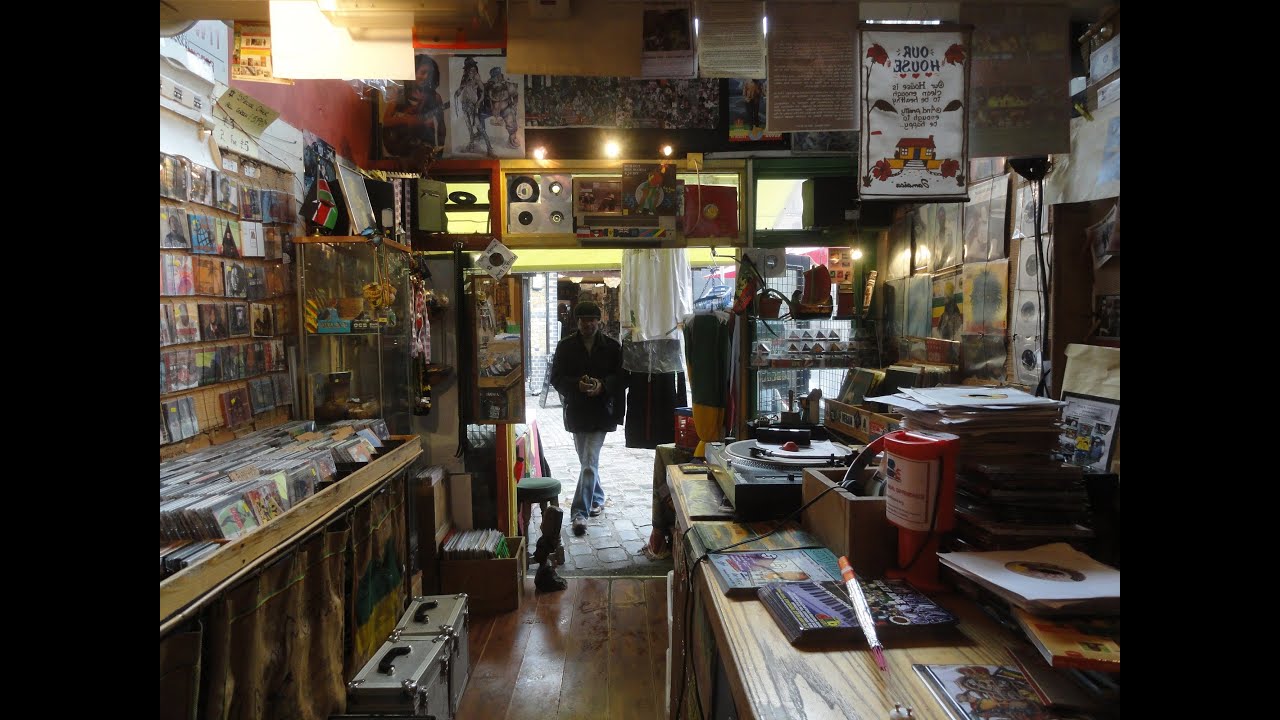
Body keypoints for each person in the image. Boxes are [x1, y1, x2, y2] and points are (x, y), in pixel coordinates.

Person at [550, 300, 624, 535]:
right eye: (583, 320)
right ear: (577, 321)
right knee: (587, 462)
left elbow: (622, 378)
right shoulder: (565, 347)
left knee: (590, 460)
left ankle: (579, 514)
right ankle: (597, 497)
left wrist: (603, 385)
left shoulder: (613, 347)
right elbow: (556, 378)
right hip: (577, 411)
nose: (587, 324)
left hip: (602, 411)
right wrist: (577, 386)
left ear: (599, 321)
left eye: (591, 320)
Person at [381, 54, 446, 157]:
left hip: (424, 150)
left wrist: (440, 150)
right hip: (401, 148)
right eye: (423, 72)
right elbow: (386, 121)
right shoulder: (400, 94)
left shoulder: (435, 97)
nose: (426, 77)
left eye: (430, 74)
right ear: (413, 73)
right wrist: (407, 119)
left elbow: (441, 125)